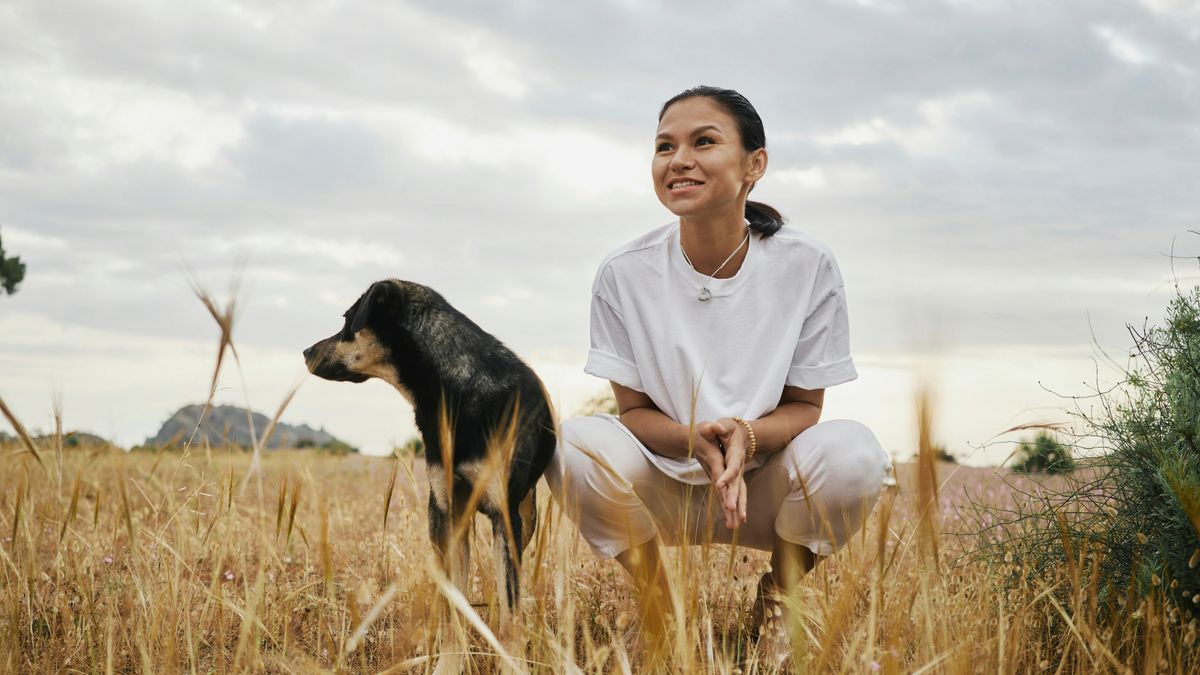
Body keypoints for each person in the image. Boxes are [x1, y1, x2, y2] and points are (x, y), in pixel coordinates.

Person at [545, 85, 893, 665]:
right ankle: (659, 607)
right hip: (662, 480)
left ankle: (779, 596)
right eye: (664, 146)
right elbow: (630, 414)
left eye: (703, 141)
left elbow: (807, 407)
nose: (678, 159)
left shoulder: (807, 265)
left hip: (762, 487)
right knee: (573, 444)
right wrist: (693, 438)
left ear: (754, 164)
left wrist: (747, 436)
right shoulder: (623, 274)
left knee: (856, 454)